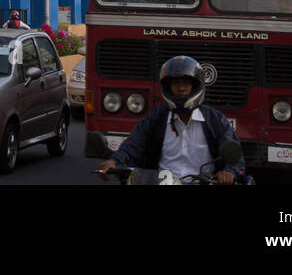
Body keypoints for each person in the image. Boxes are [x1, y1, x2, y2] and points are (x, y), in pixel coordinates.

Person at [97, 56, 244, 185]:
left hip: (205, 181)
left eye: (186, 83)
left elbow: (235, 156)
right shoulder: (156, 117)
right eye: (176, 83)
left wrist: (229, 172)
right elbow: (134, 143)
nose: (181, 88)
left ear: (195, 86)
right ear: (168, 87)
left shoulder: (215, 120)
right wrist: (115, 161)